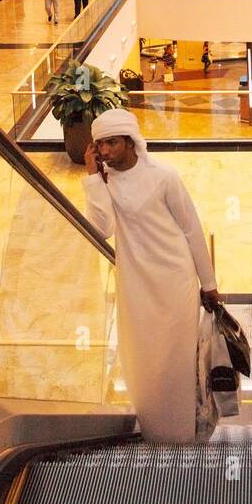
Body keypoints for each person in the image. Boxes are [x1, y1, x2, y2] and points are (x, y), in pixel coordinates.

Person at [84, 109, 220, 442]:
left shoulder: (164, 176)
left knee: (177, 360)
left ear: (131, 142)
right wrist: (92, 179)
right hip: (135, 285)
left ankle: (185, 433)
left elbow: (191, 229)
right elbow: (102, 230)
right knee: (146, 360)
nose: (104, 152)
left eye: (111, 143)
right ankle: (156, 431)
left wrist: (209, 283)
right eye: (99, 145)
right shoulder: (105, 183)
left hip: (175, 280)